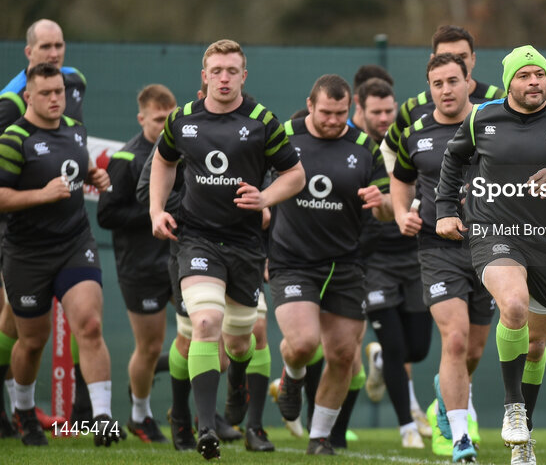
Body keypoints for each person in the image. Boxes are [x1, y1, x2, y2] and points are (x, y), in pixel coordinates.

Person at [435, 45, 546, 464]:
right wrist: (445, 210)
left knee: (536, 344)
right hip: (494, 231)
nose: (534, 82)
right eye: (524, 75)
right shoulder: (481, 117)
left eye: (539, 74)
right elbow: (453, 159)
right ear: (509, 82)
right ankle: (512, 408)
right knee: (512, 305)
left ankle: (524, 435)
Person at [149, 39, 305, 460]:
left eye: (231, 71)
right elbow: (163, 160)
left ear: (243, 76)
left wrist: (266, 197)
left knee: (239, 342)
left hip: (245, 244)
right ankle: (204, 427)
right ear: (204, 76)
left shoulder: (262, 121)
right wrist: (156, 210)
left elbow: (296, 174)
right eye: (216, 70)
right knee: (204, 322)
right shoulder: (182, 119)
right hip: (196, 238)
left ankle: (238, 377)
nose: (223, 78)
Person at [268, 74, 392, 456]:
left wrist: (381, 203)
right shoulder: (283, 136)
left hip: (345, 265)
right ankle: (292, 375)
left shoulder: (365, 147)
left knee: (342, 356)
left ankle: (320, 437)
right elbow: (258, 192)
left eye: (341, 113)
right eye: (326, 113)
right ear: (310, 105)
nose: (334, 121)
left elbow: (389, 209)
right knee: (303, 344)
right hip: (292, 261)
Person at [0, 62, 119, 447]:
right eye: (46, 93)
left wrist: (94, 175)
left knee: (90, 324)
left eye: (59, 92)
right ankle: (23, 411)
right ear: (28, 97)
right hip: (26, 254)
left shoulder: (75, 129)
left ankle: (102, 419)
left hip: (74, 243)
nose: (55, 99)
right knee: (33, 341)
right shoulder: (14, 139)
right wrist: (41, 195)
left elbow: (79, 166)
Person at [392, 53, 496, 462]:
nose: (446, 90)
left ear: (469, 81)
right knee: (454, 339)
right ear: (429, 88)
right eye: (437, 83)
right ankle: (459, 438)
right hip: (438, 249)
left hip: (490, 247)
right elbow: (401, 179)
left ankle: (445, 393)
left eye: (453, 81)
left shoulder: (494, 125)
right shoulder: (415, 133)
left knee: (472, 352)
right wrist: (401, 213)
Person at [1, 18, 92, 430]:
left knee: (83, 317)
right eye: (45, 47)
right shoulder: (9, 102)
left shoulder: (75, 82)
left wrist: (88, 172)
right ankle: (15, 407)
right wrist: (38, 195)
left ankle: (83, 412)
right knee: (12, 321)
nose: (54, 53)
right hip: (17, 228)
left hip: (66, 231)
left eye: (59, 45)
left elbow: (70, 145)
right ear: (28, 52)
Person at [96, 84, 178, 444]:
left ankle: (190, 410)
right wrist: (155, 213)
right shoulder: (126, 159)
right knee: (150, 346)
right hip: (141, 267)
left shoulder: (183, 152)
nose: (164, 125)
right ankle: (140, 414)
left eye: (169, 118)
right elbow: (107, 215)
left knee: (208, 339)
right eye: (158, 119)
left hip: (180, 261)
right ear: (141, 118)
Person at [355, 78, 434, 445]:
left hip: (415, 256)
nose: (384, 118)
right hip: (374, 263)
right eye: (376, 112)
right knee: (396, 348)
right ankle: (406, 427)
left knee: (417, 349)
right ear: (361, 111)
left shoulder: (413, 143)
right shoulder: (355, 150)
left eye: (389, 110)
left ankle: (380, 362)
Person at [380, 24, 505, 174]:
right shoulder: (414, 107)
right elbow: (388, 148)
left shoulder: (500, 101)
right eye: (445, 57)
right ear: (432, 60)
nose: (453, 62)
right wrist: (398, 183)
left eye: (462, 57)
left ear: (473, 59)